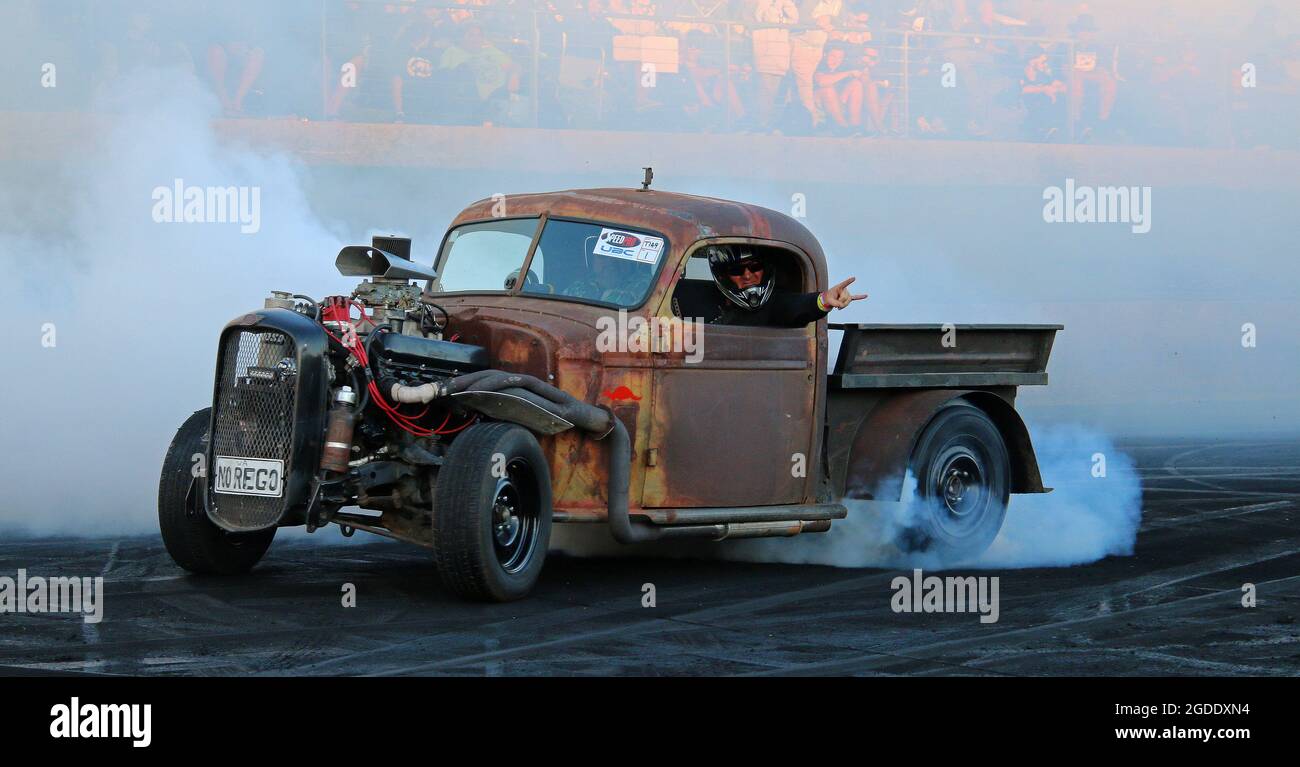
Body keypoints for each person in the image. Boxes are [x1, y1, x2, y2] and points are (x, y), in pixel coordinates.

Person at [705, 245, 866, 326]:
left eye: (755, 267)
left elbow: (795, 306)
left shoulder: (774, 303)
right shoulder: (703, 302)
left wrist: (824, 300)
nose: (748, 275)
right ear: (722, 275)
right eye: (736, 270)